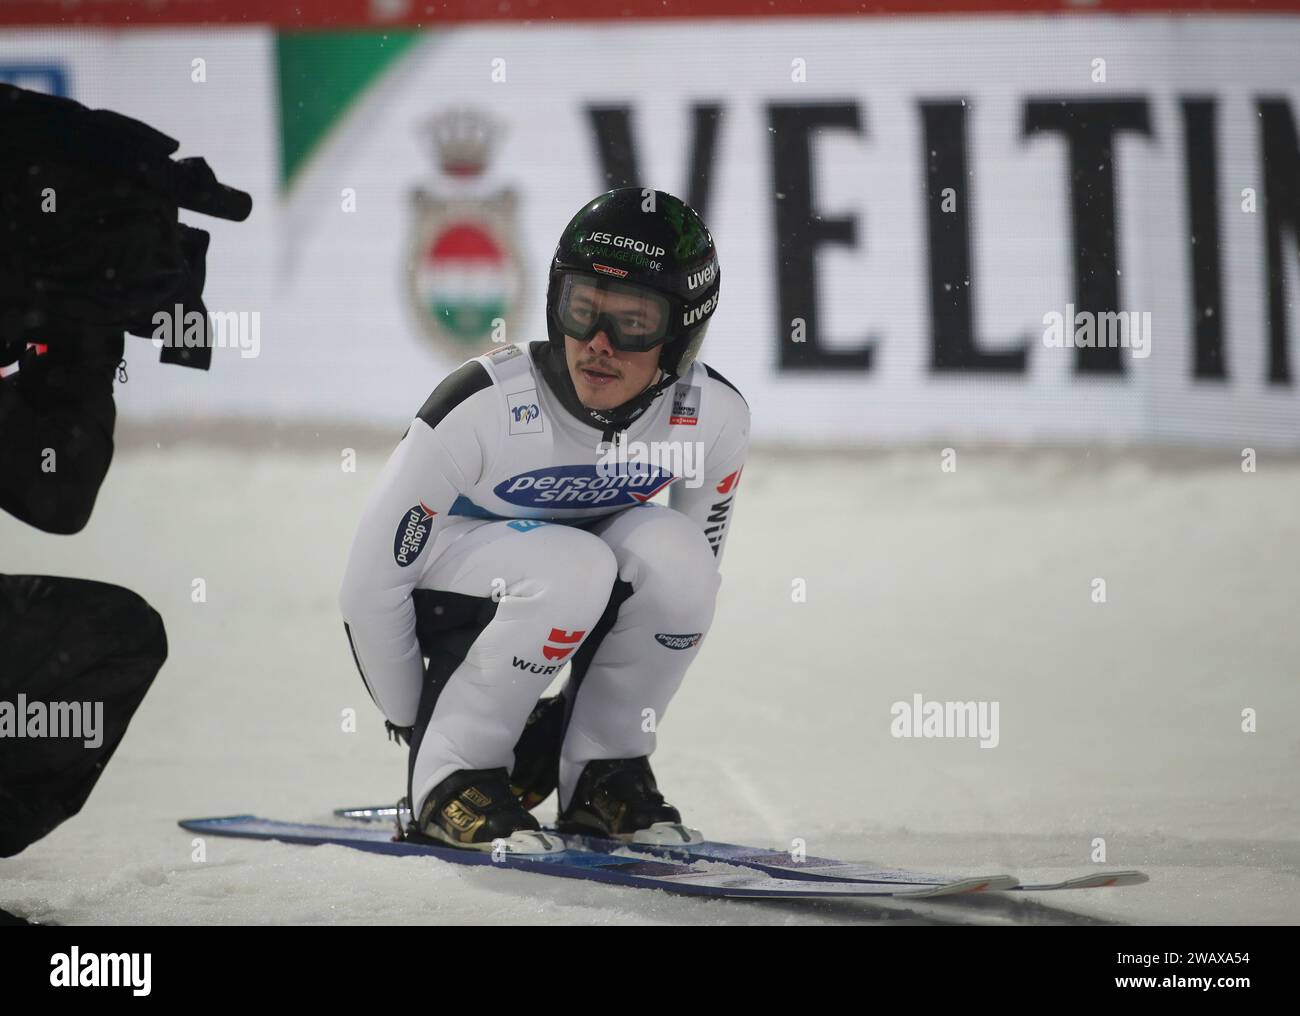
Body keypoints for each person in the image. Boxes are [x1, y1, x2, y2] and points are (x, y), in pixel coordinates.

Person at [340, 188, 748, 850]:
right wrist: (420, 723)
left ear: (683, 333)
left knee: (681, 562)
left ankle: (602, 773)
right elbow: (369, 584)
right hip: (453, 596)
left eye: (633, 322)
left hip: (561, 583)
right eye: (581, 309)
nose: (598, 344)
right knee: (574, 563)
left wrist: (561, 728)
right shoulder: (481, 406)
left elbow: (690, 587)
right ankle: (453, 780)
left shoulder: (715, 417)